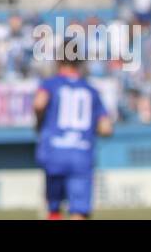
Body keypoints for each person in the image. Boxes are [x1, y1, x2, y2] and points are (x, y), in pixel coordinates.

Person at [33, 55, 114, 219]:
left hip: (54, 151)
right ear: (80, 63)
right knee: (79, 209)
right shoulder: (91, 90)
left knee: (53, 206)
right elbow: (106, 128)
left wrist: (40, 122)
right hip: (81, 153)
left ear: (58, 61)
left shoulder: (50, 84)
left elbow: (39, 103)